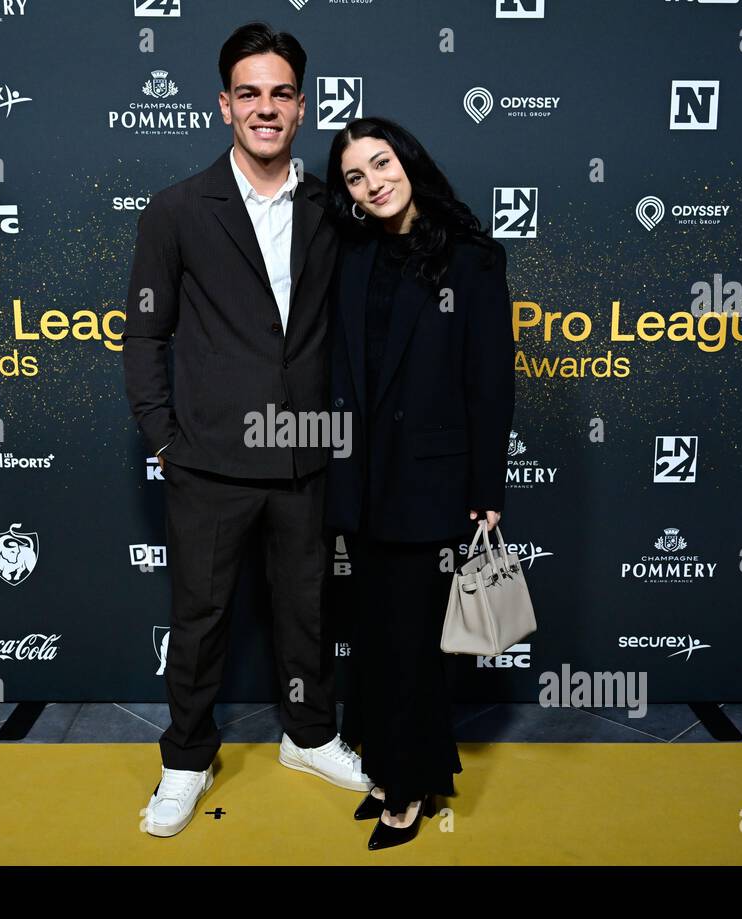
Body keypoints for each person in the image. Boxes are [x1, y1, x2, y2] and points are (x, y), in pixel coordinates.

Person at [123, 22, 371, 839]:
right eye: (250, 92)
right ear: (224, 103)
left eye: (282, 93)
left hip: (303, 454)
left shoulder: (334, 206)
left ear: (303, 107)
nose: (266, 107)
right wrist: (166, 438)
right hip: (210, 464)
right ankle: (186, 759)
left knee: (307, 613)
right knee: (198, 620)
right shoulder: (175, 210)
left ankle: (309, 736)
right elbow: (145, 335)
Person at [323, 117, 516, 850]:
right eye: (355, 177)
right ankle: (387, 764)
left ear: (410, 161)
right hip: (360, 483)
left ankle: (410, 786)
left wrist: (487, 487)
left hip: (431, 484)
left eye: (382, 164)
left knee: (414, 644)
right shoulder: (353, 253)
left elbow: (489, 381)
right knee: (375, 636)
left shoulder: (469, 259)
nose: (374, 183)